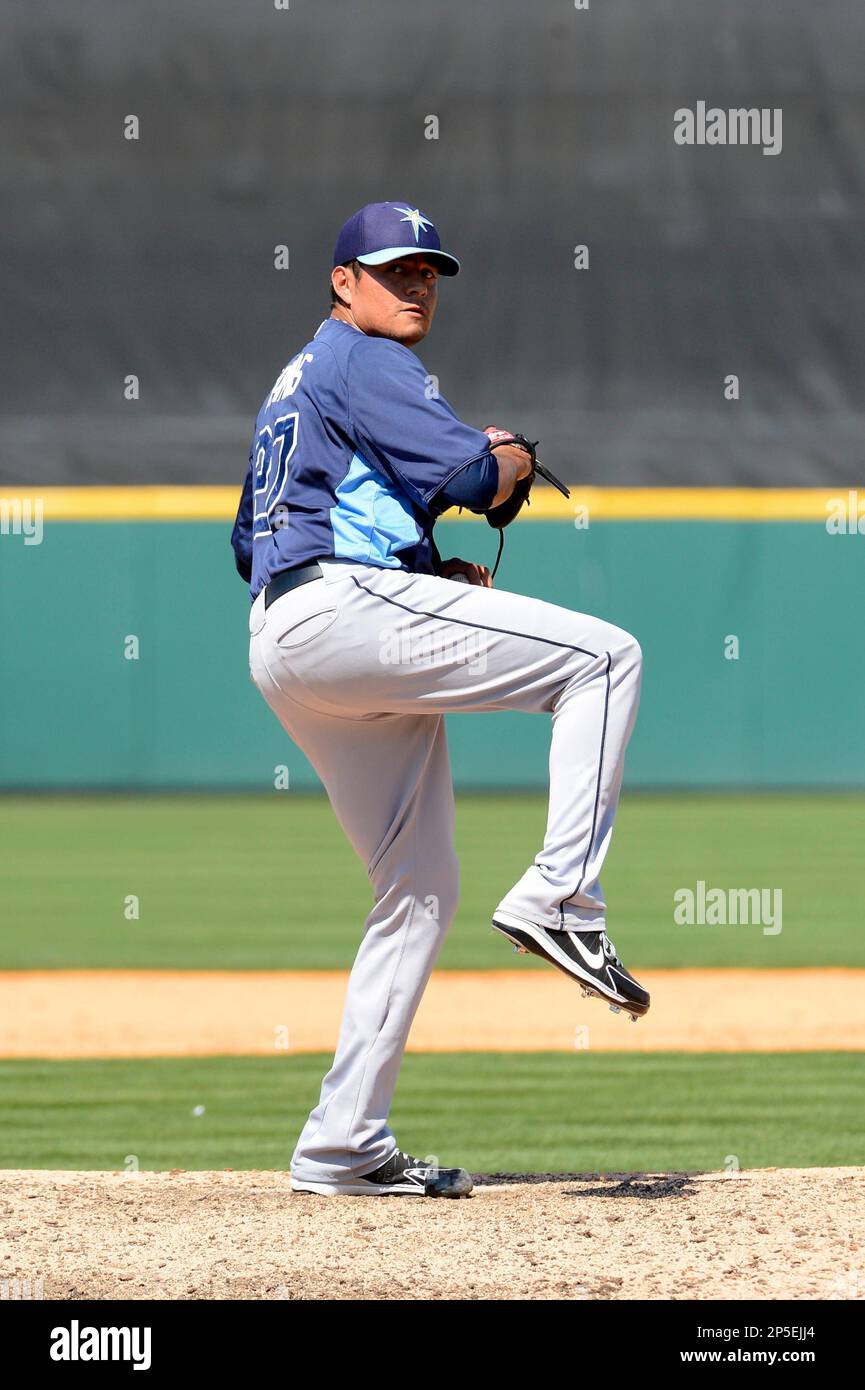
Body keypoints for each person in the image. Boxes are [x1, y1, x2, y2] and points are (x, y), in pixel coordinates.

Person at [231, 201, 647, 1199]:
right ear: (343, 281)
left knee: (418, 889)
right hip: (337, 612)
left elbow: (255, 539)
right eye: (394, 268)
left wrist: (416, 571)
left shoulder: (295, 380)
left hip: (290, 633)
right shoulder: (367, 358)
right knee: (604, 659)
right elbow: (472, 473)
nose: (417, 284)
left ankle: (342, 1144)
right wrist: (505, 456)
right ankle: (562, 897)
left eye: (428, 271)